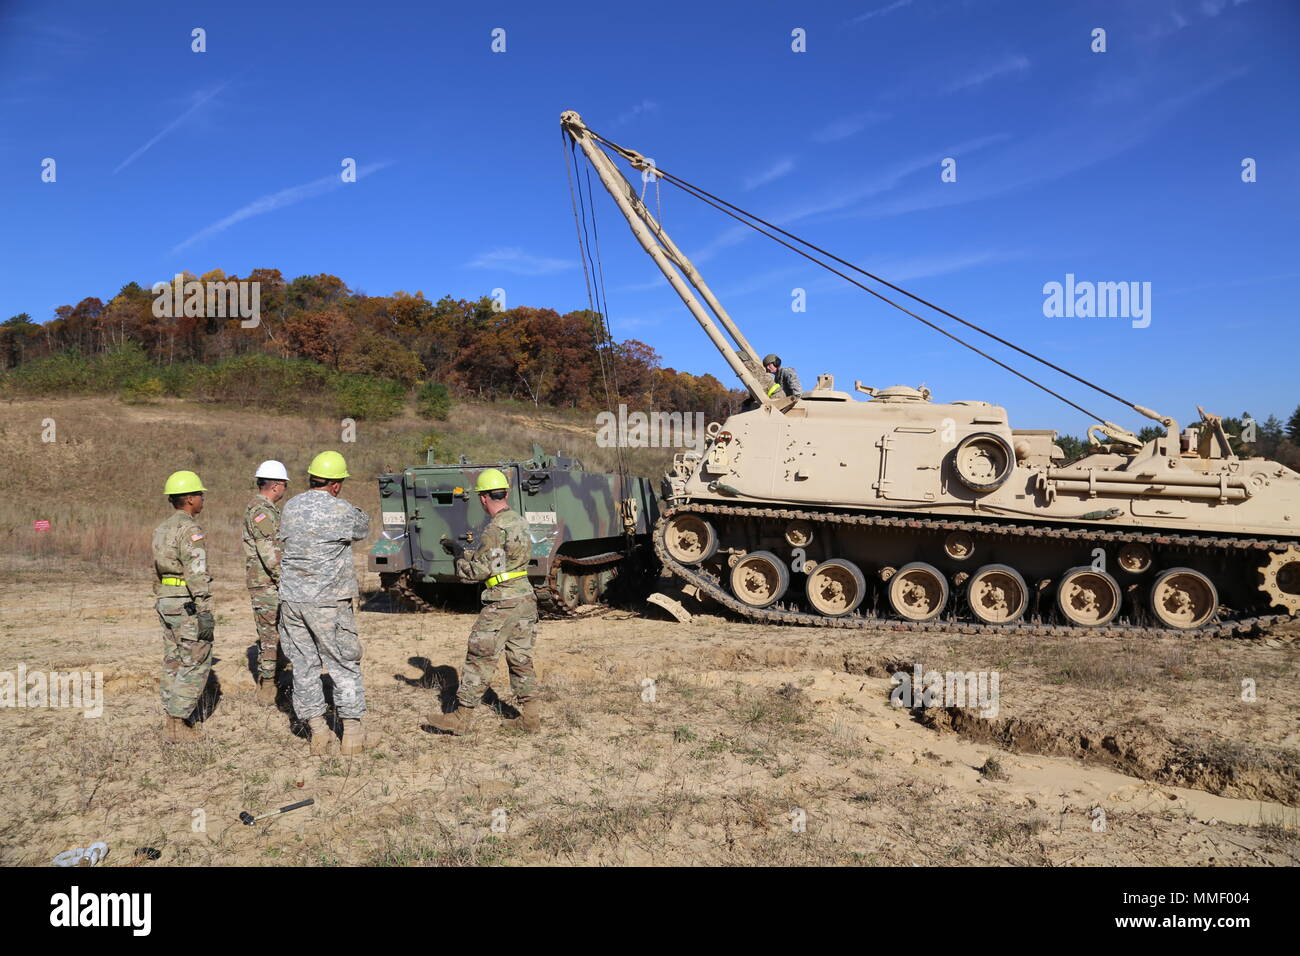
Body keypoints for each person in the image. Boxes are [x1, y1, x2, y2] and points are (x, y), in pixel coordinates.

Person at [426, 467, 541, 736]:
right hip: (524, 597)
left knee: (479, 655)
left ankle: (461, 718)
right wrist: (468, 553)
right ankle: (531, 718)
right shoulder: (519, 521)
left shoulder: (493, 528)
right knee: (521, 658)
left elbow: (477, 572)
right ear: (506, 493)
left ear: (483, 498)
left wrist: (457, 556)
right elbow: (501, 560)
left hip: (502, 601)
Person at [277, 451, 371, 756]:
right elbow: (363, 528)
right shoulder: (340, 509)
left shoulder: (290, 506)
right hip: (327, 602)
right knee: (343, 663)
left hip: (292, 600)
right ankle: (353, 735)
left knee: (303, 666)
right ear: (336, 484)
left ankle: (318, 733)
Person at [152, 470, 214, 742]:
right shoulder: (191, 530)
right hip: (185, 601)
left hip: (165, 598)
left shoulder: (162, 528)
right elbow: (196, 573)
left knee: (173, 660)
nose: (202, 499)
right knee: (196, 660)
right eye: (200, 495)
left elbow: (156, 568)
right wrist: (204, 609)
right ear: (189, 499)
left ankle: (170, 720)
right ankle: (178, 723)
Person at [244, 460, 288, 704]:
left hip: (269, 582)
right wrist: (285, 581)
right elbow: (269, 553)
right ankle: (267, 685)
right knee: (270, 634)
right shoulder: (261, 511)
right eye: (284, 485)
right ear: (277, 485)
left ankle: (275, 677)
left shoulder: (266, 509)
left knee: (276, 632)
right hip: (267, 584)